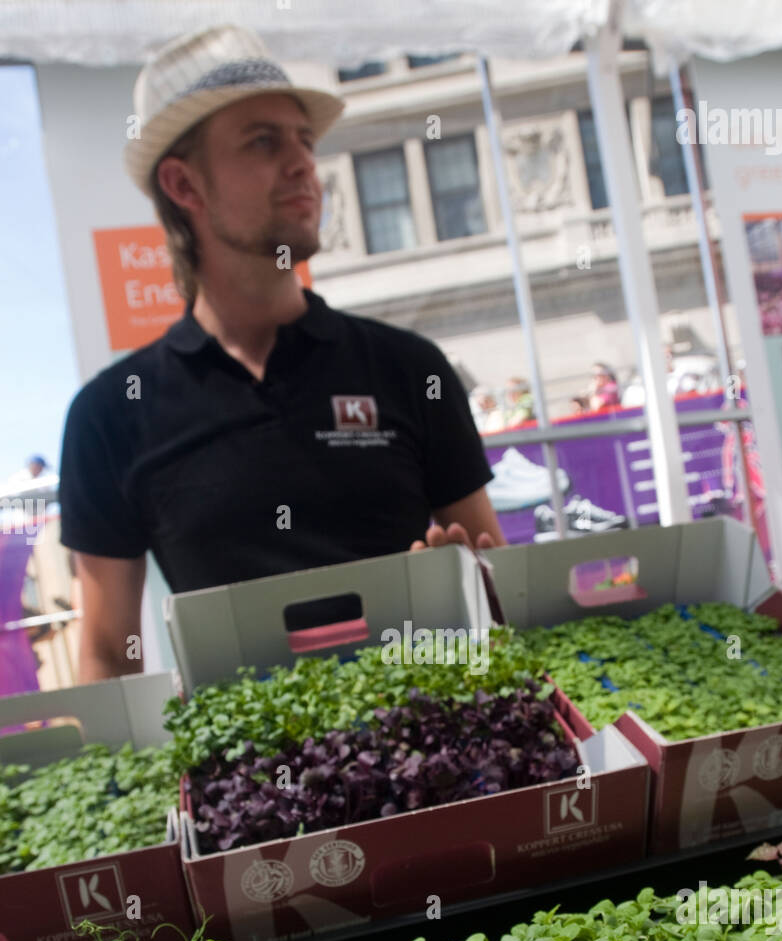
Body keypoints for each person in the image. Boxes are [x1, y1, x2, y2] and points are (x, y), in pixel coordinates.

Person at [58, 26, 505, 684]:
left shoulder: (411, 371)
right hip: (246, 777)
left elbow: (498, 587)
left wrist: (474, 582)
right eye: (263, 142)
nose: (302, 165)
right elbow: (103, 655)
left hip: (432, 755)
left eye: (304, 140)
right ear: (185, 184)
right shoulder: (110, 416)